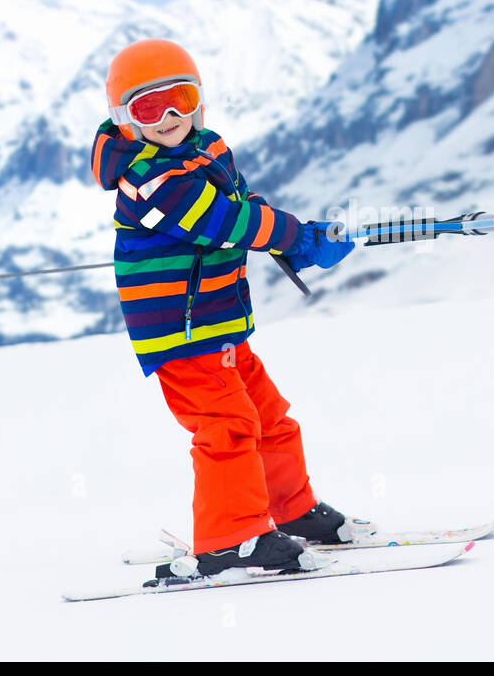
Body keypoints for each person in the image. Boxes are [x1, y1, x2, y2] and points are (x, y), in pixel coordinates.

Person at [91, 38, 357, 576]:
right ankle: (230, 539)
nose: (169, 117)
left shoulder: (204, 149)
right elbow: (221, 222)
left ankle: (292, 510)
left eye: (181, 99)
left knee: (267, 416)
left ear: (200, 103)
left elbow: (242, 205)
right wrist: (292, 236)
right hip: (179, 332)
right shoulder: (149, 180)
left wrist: (294, 237)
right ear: (124, 119)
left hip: (219, 323)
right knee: (228, 425)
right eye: (148, 107)